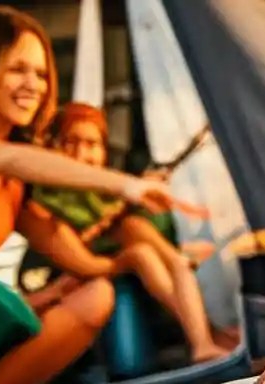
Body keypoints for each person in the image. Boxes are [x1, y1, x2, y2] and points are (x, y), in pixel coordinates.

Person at [0, 6, 189, 384]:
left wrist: (144, 255)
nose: (33, 85)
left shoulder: (15, 184)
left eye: (42, 74)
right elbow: (7, 156)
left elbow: (81, 261)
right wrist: (126, 185)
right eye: (17, 70)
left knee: (93, 296)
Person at [23, 102, 230, 364]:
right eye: (70, 142)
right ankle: (206, 337)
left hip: (122, 254)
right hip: (80, 271)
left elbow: (125, 205)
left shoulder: (105, 187)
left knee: (145, 248)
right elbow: (77, 252)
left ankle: (204, 340)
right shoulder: (46, 197)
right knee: (140, 247)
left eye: (91, 144)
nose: (81, 154)